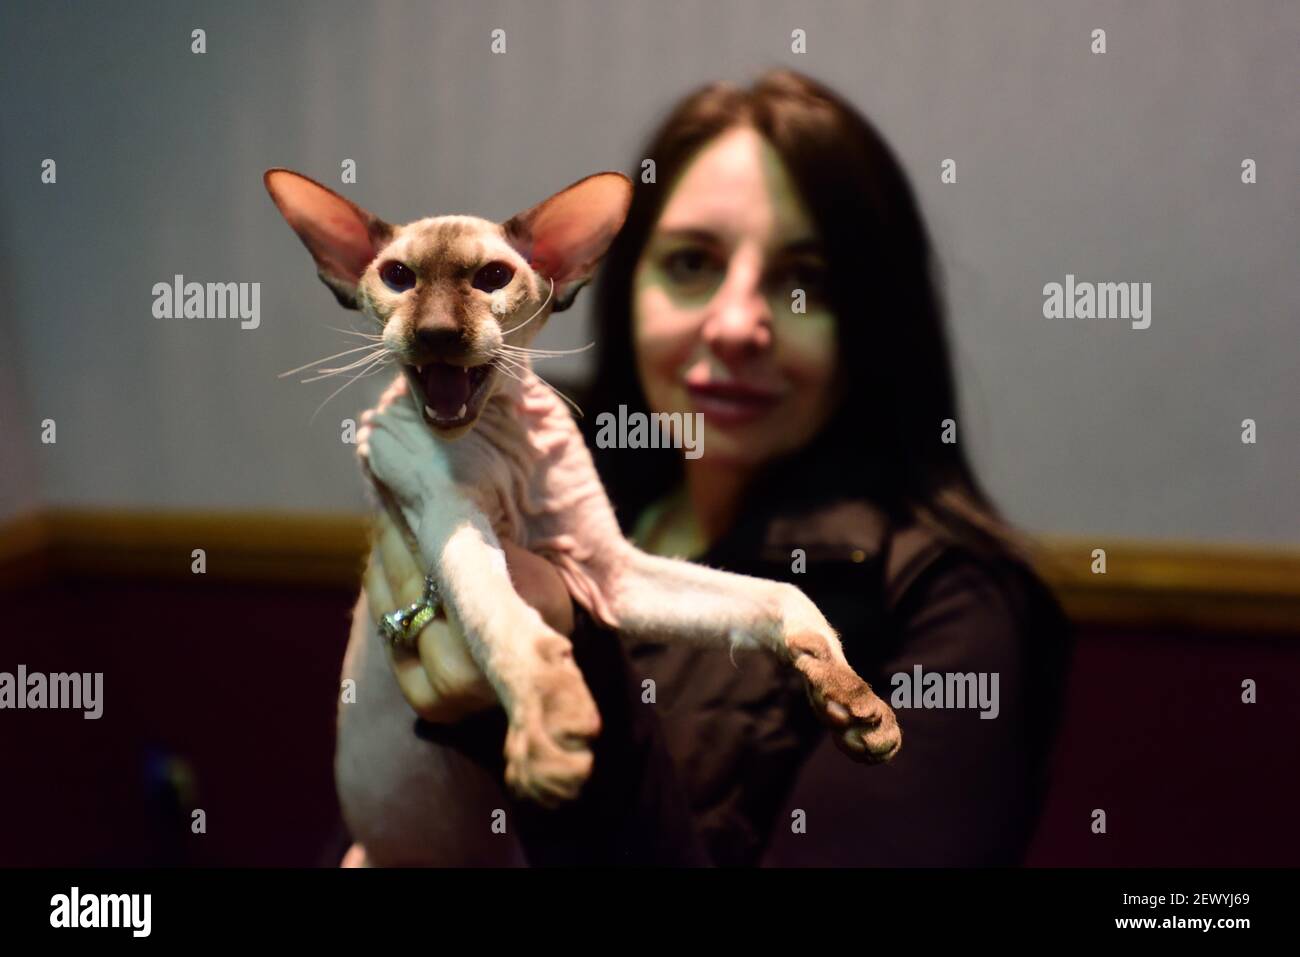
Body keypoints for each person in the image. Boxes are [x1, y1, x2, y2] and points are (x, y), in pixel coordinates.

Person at [343, 69, 1073, 867]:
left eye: (802, 282)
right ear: (618, 282)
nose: (736, 326)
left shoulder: (954, 604)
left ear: (872, 318)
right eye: (692, 262)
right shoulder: (547, 445)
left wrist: (551, 683)